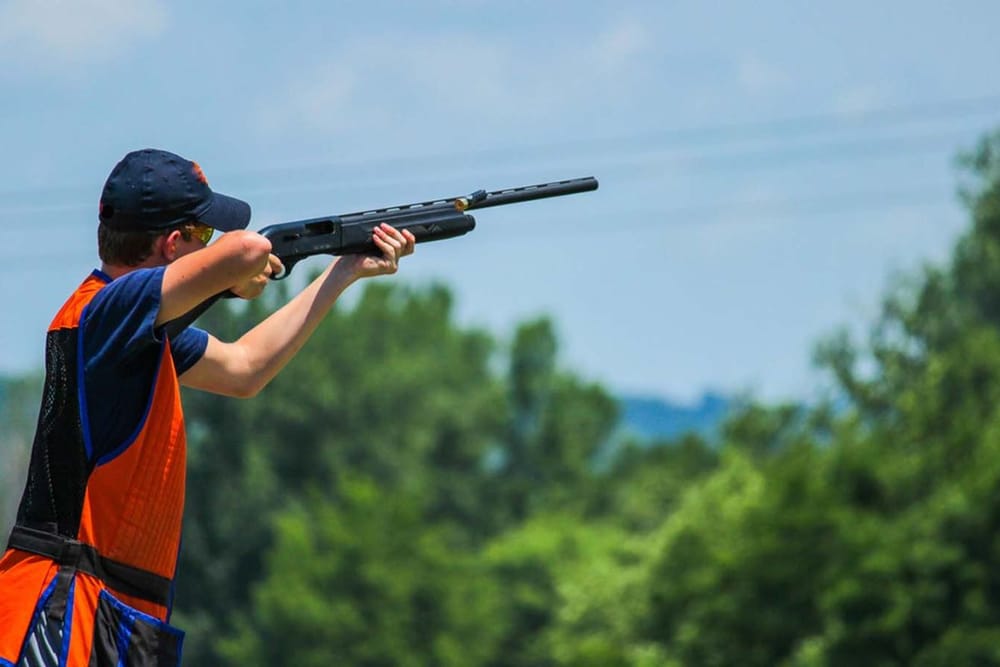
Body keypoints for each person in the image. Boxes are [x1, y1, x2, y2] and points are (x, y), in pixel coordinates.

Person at [0, 148, 416, 666]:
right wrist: (234, 279)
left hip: (105, 609)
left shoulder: (136, 333)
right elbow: (245, 251)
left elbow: (245, 369)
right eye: (204, 235)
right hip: (63, 615)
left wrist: (340, 273)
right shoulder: (110, 308)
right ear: (174, 244)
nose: (214, 242)